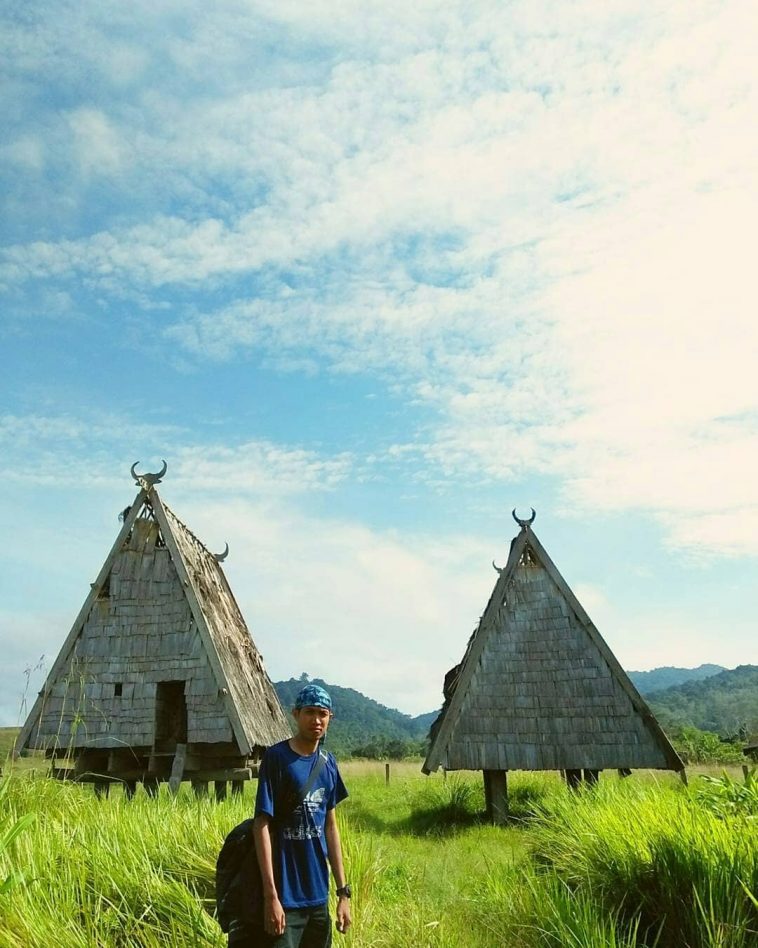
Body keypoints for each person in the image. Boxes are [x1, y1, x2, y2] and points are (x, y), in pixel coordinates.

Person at [230, 684, 351, 947]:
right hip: (285, 897)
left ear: (330, 717)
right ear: (295, 714)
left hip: (318, 897)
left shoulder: (328, 763)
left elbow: (331, 828)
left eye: (322, 713)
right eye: (309, 712)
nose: (316, 720)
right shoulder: (277, 758)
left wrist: (343, 894)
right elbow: (261, 825)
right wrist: (270, 896)